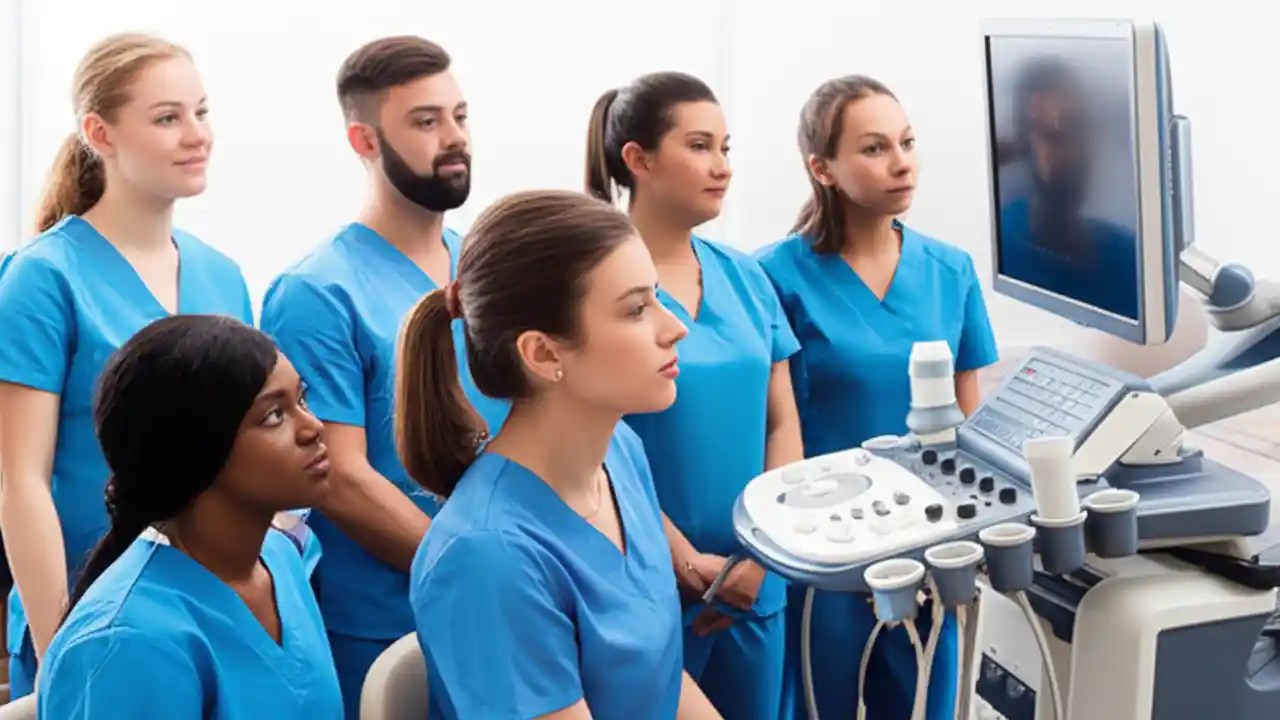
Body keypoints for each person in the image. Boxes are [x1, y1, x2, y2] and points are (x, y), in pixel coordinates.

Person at [400, 189, 724, 720]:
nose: (675, 328)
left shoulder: (618, 454)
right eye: (637, 309)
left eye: (657, 297)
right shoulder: (487, 556)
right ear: (543, 353)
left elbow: (661, 679)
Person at [258, 35, 506, 717]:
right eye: (426, 122)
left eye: (461, 116)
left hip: (497, 606)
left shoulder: (479, 267)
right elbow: (337, 474)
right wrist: (470, 573)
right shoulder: (317, 291)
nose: (455, 138)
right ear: (363, 142)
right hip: (379, 619)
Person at [0, 33, 253, 700]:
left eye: (202, 112)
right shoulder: (42, 279)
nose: (196, 134)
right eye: (168, 117)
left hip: (212, 605)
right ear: (99, 133)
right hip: (91, 610)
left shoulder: (222, 278)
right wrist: (62, 646)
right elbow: (19, 481)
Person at [755, 75, 1000, 720]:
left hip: (930, 549)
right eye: (873, 148)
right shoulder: (772, 277)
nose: (901, 162)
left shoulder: (951, 271)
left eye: (907, 141)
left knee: (926, 704)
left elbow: (971, 421)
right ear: (822, 168)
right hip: (823, 557)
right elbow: (768, 426)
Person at [584, 72, 804, 719]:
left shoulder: (746, 277)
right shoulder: (594, 281)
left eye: (727, 149)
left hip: (757, 579)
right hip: (641, 578)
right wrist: (681, 560)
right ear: (638, 159)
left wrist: (763, 554)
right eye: (700, 146)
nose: (722, 167)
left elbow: (782, 420)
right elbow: (582, 445)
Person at [35, 315, 342, 718]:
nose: (313, 428)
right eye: (273, 416)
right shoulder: (128, 645)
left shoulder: (281, 558)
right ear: (195, 450)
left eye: (301, 401)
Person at [995, 57, 1139, 320]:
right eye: (1045, 133)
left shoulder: (1128, 254)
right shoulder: (1001, 248)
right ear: (1022, 143)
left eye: (1072, 127)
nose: (1060, 154)